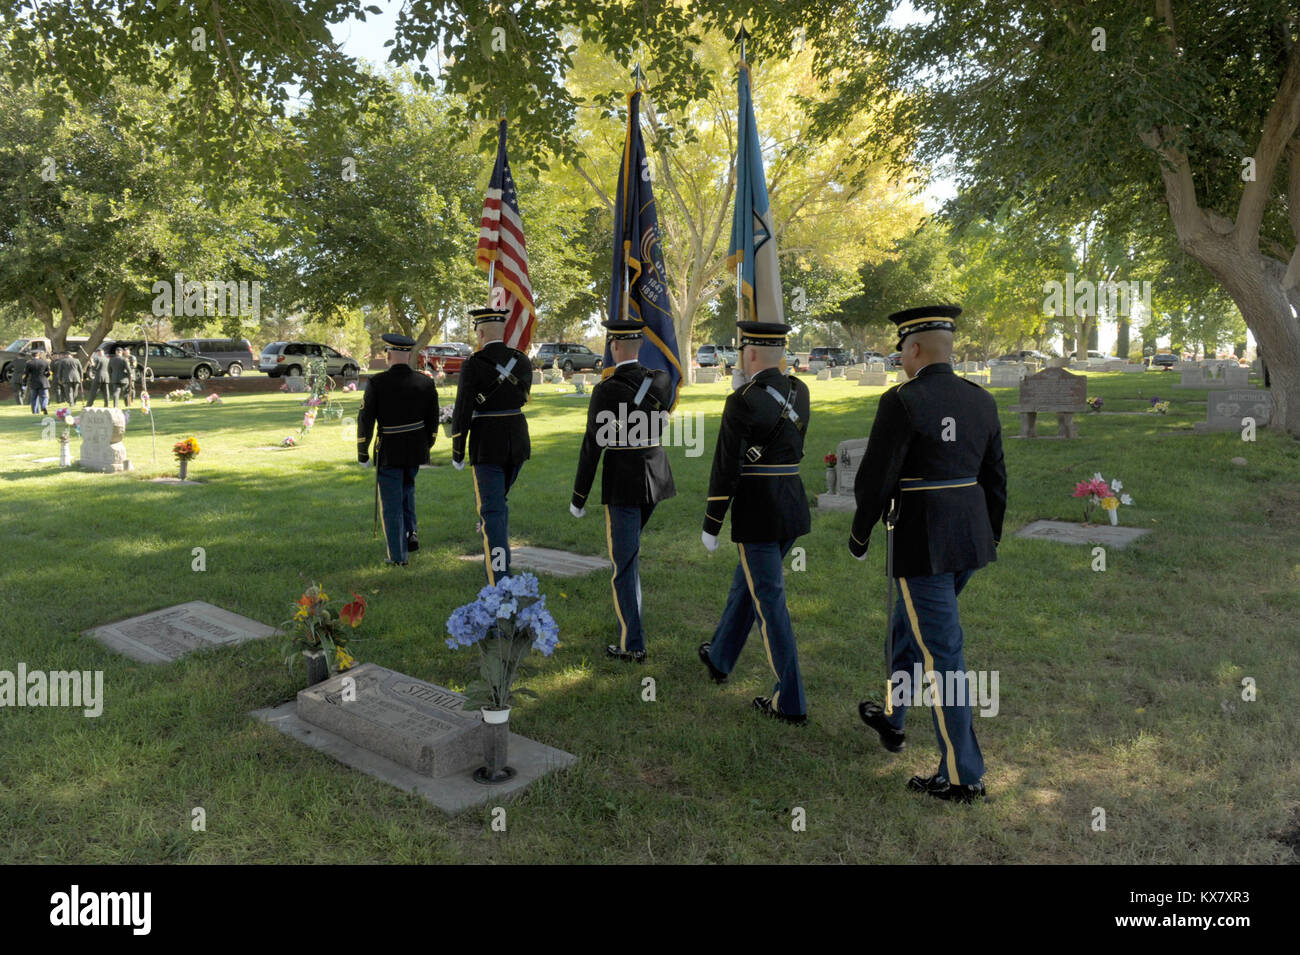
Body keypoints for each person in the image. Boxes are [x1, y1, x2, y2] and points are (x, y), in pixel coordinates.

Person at [849, 305, 1007, 805]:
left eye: (901, 349)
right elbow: (996, 478)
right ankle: (894, 719)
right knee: (907, 628)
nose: (899, 357)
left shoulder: (903, 400)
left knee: (942, 655)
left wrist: (859, 535)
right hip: (969, 539)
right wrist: (991, 536)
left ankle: (962, 776)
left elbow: (876, 478)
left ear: (914, 349)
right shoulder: (980, 400)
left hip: (923, 541)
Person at [697, 321, 812, 725]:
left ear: (748, 353)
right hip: (791, 506)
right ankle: (720, 657)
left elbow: (726, 466)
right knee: (746, 586)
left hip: (758, 512)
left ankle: (791, 701)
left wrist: (712, 522)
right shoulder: (801, 390)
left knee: (769, 602)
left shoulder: (742, 400)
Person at [570, 320, 677, 663]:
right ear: (640, 346)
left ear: (614, 346)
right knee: (630, 556)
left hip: (625, 480)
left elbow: (592, 445)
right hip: (656, 475)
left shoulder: (606, 389)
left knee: (625, 564)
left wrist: (578, 497)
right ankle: (634, 618)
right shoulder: (661, 380)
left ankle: (634, 645)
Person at [449, 307, 532, 584]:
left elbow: (462, 409)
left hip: (487, 445)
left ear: (480, 332)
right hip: (518, 443)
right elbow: (524, 396)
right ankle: (499, 560)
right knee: (498, 504)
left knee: (492, 513)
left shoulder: (473, 364)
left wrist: (458, 450)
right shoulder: (521, 361)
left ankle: (499, 578)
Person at [356, 333, 440, 567]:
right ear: (409, 354)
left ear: (390, 355)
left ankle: (397, 556)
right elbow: (433, 419)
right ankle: (411, 532)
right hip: (415, 448)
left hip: (390, 450)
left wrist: (363, 451)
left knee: (391, 504)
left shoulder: (377, 382)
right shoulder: (425, 382)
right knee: (407, 490)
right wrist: (427, 444)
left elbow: (366, 419)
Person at [23, 349, 51, 415]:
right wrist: (46, 377)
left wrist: (24, 382)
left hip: (33, 382)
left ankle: (35, 412)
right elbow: (49, 373)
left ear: (32, 355)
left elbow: (26, 374)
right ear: (38, 355)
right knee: (44, 396)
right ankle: (44, 406)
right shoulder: (45, 362)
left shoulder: (29, 363)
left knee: (34, 398)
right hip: (43, 382)